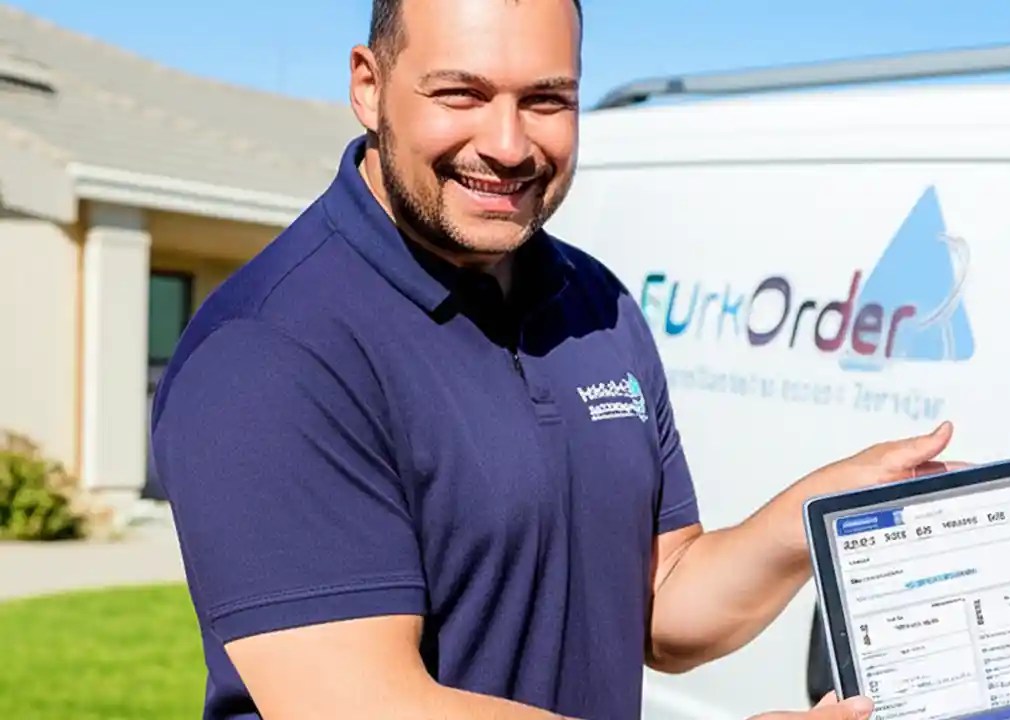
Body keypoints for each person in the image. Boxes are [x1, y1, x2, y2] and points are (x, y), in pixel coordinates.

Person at [149, 0, 960, 718]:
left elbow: (660, 603)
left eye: (546, 100)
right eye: (461, 93)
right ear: (368, 86)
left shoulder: (594, 302)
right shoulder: (272, 348)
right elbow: (361, 703)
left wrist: (815, 513)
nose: (507, 145)